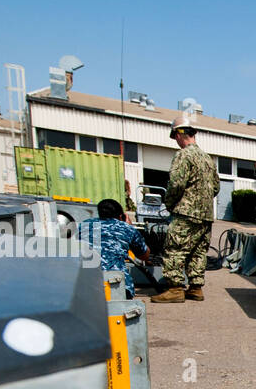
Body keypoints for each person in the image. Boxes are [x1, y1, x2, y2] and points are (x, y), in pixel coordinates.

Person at [151, 117, 218, 303]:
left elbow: (176, 183)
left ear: (180, 134)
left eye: (175, 137)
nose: (176, 141)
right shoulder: (207, 159)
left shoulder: (183, 155)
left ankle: (175, 289)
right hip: (205, 215)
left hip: (185, 213)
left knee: (174, 249)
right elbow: (216, 187)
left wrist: (170, 204)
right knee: (198, 251)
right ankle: (196, 288)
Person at [77, 199, 147, 297]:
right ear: (120, 216)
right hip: (118, 286)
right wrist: (129, 227)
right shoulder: (126, 228)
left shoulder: (83, 225)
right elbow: (144, 256)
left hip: (86, 284)